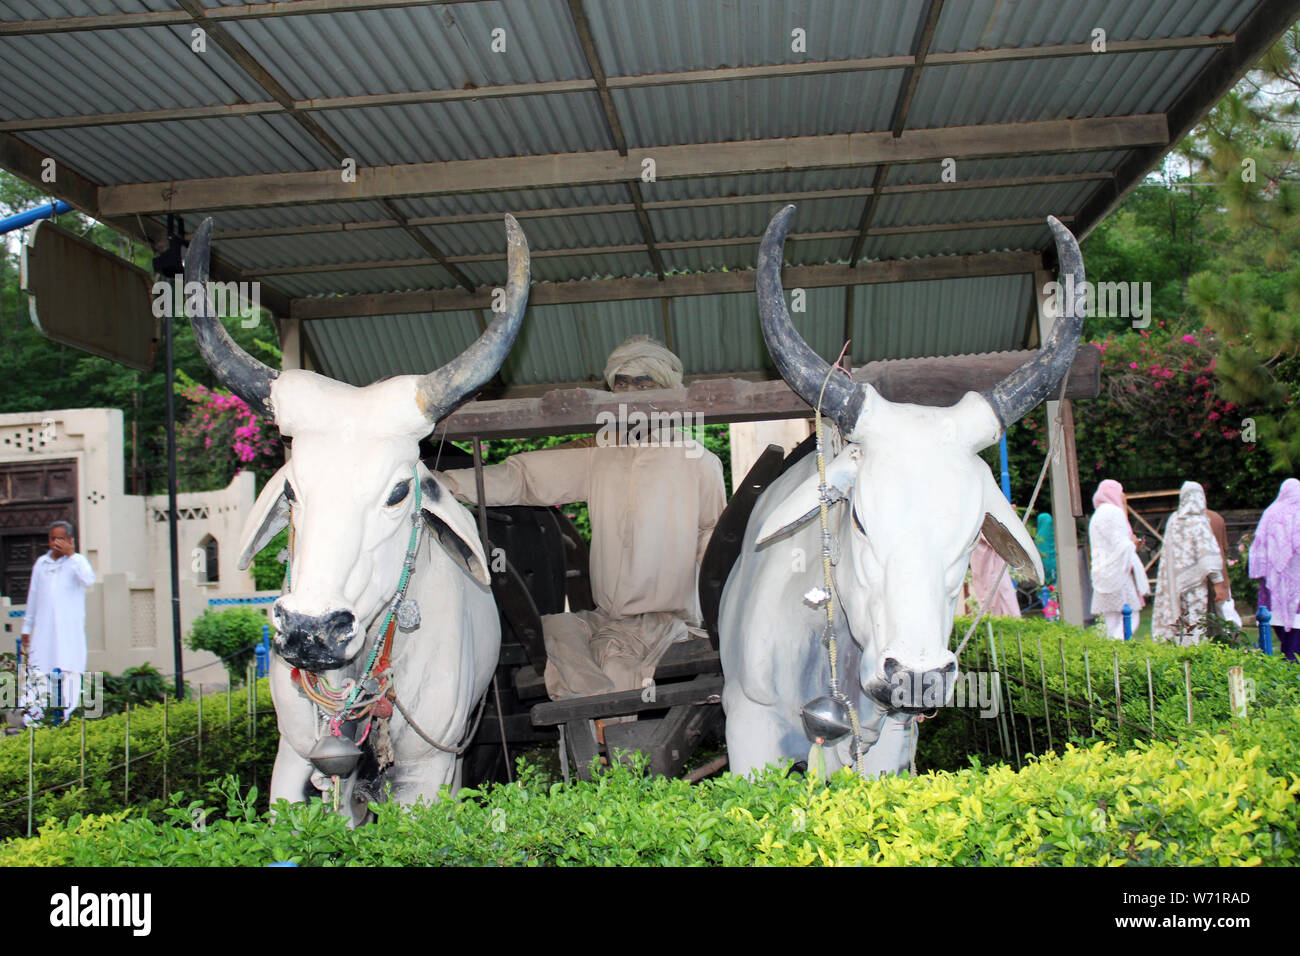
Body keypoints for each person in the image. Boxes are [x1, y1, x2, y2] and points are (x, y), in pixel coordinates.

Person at [437, 336, 727, 700]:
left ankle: (605, 720)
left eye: (643, 383)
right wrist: (443, 483)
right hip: (608, 622)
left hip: (670, 625)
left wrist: (722, 615)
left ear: (667, 391)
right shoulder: (599, 455)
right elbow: (522, 478)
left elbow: (712, 541)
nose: (630, 393)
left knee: (618, 674)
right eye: (621, 383)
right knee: (556, 629)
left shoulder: (699, 462)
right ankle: (597, 710)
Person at [20, 520, 95, 723]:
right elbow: (33, 597)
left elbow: (89, 580)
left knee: (69, 672)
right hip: (44, 633)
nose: (56, 542)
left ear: (70, 540)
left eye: (60, 538)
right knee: (38, 672)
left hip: (69, 634)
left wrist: (71, 556)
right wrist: (27, 628)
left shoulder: (77, 562)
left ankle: (65, 718)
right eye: (53, 538)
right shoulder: (41, 564)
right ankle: (33, 721)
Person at [1151, 481, 1224, 645]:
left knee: (1181, 621)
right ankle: (1195, 653)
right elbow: (1208, 556)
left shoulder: (1174, 520)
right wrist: (1218, 582)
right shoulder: (1199, 521)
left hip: (1176, 581)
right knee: (1196, 619)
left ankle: (1182, 651)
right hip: (1196, 581)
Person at [1088, 479, 1149, 640]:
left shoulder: (1097, 515)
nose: (1123, 495)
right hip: (1118, 573)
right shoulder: (1114, 513)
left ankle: (1109, 652)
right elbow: (1121, 545)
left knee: (1111, 619)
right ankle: (1116, 648)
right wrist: (1133, 543)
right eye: (1120, 491)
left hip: (1102, 573)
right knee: (1131, 615)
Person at [1249, 478, 1300, 662]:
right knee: (1297, 628)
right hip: (1296, 583)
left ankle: (1289, 662)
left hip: (1273, 583)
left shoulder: (1270, 512)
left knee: (1278, 622)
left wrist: (1262, 571)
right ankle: (1293, 666)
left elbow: (1257, 548)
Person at [968, 535, 1021, 617]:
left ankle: (1010, 619)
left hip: (995, 560)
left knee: (1004, 591)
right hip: (982, 559)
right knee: (988, 594)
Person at [1034, 513, 1058, 586]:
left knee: (1043, 585)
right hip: (1054, 565)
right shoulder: (1054, 534)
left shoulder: (1038, 538)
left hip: (1042, 566)